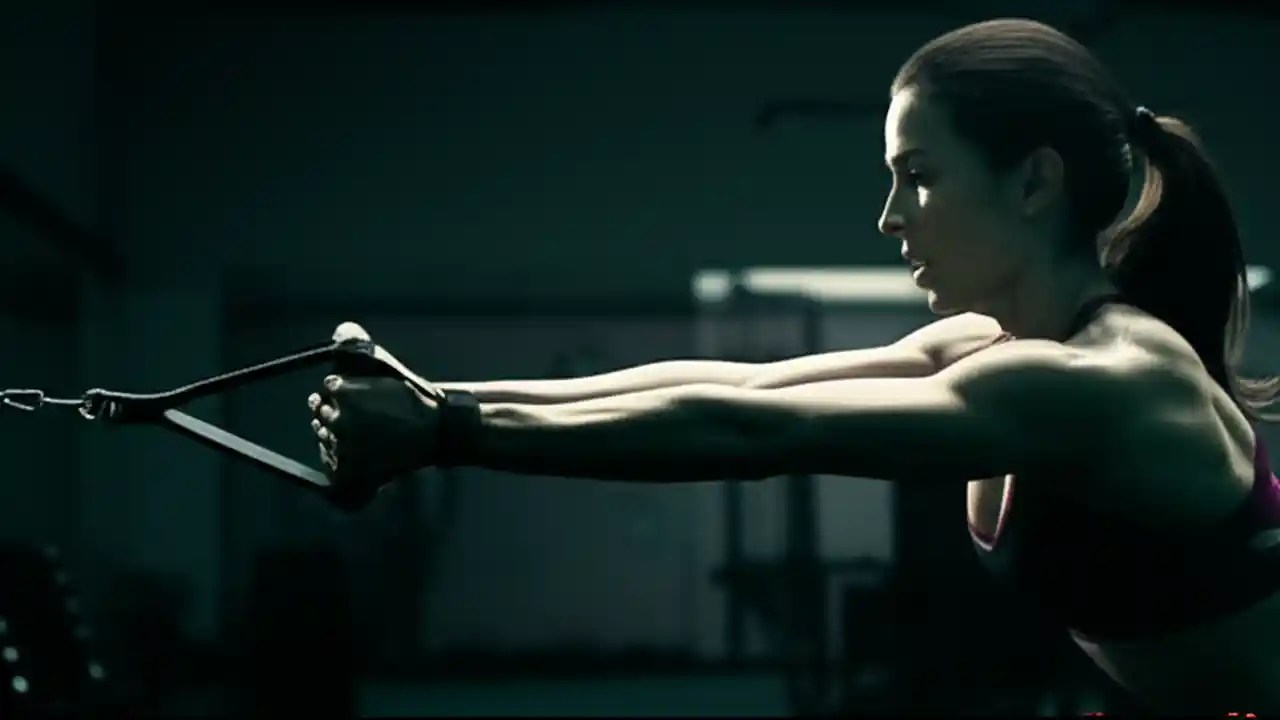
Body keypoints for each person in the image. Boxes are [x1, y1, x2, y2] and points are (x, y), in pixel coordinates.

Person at [305, 18, 1280, 713]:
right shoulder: (986, 354)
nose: (888, 218)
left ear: (1031, 182)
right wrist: (441, 400)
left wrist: (445, 435)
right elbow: (745, 387)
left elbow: (755, 433)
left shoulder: (1100, 383)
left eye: (917, 177)